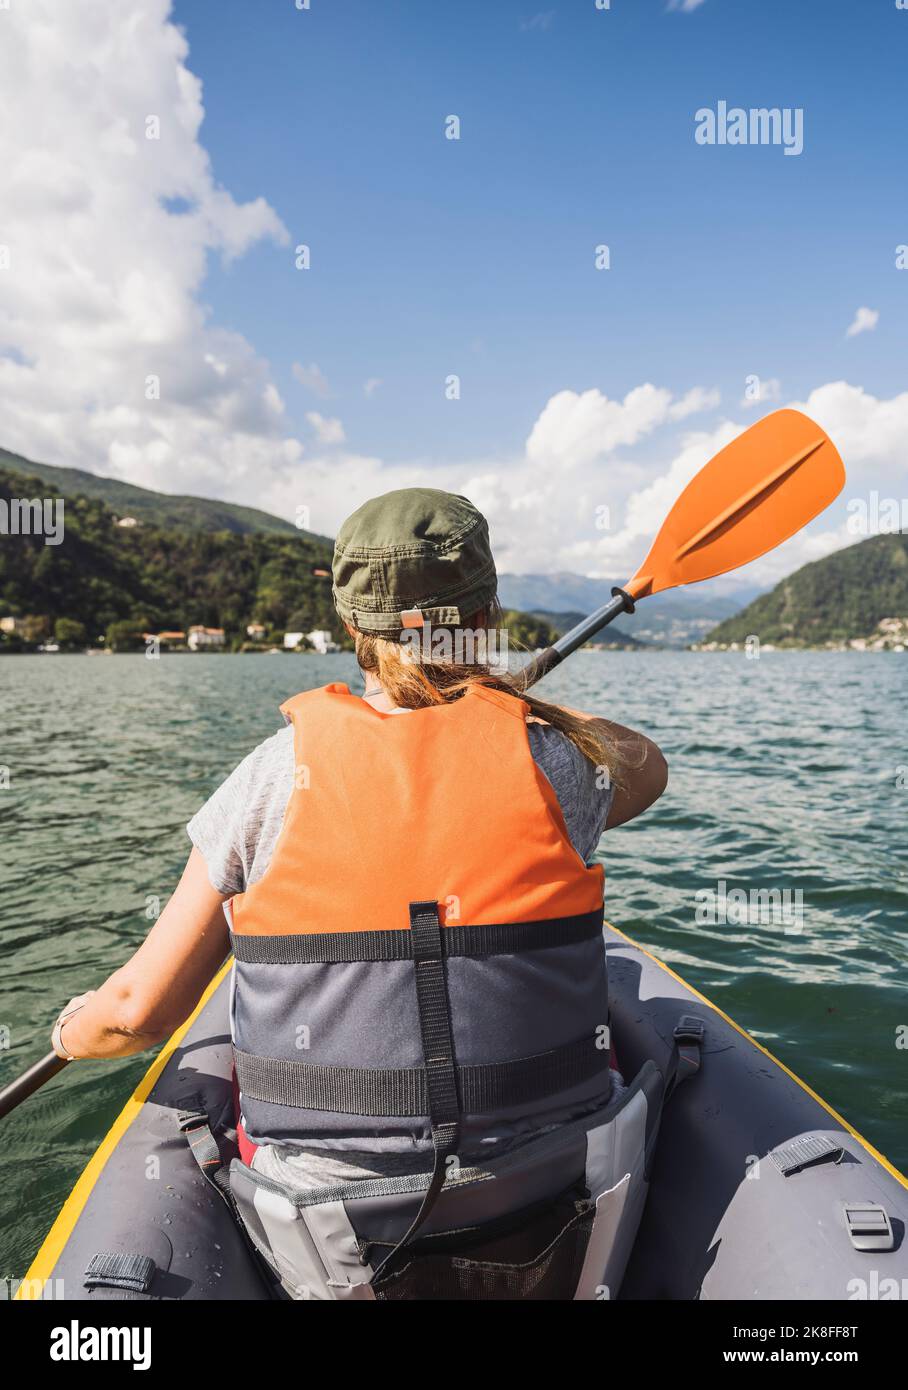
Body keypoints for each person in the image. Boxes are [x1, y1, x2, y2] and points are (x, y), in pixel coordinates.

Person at [51, 488, 667, 1299]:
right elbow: (645, 762)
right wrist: (509, 698)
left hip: (329, 1227)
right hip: (558, 1188)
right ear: (488, 614)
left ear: (351, 627)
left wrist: (69, 1030)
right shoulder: (558, 765)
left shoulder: (272, 776)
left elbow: (138, 1014)